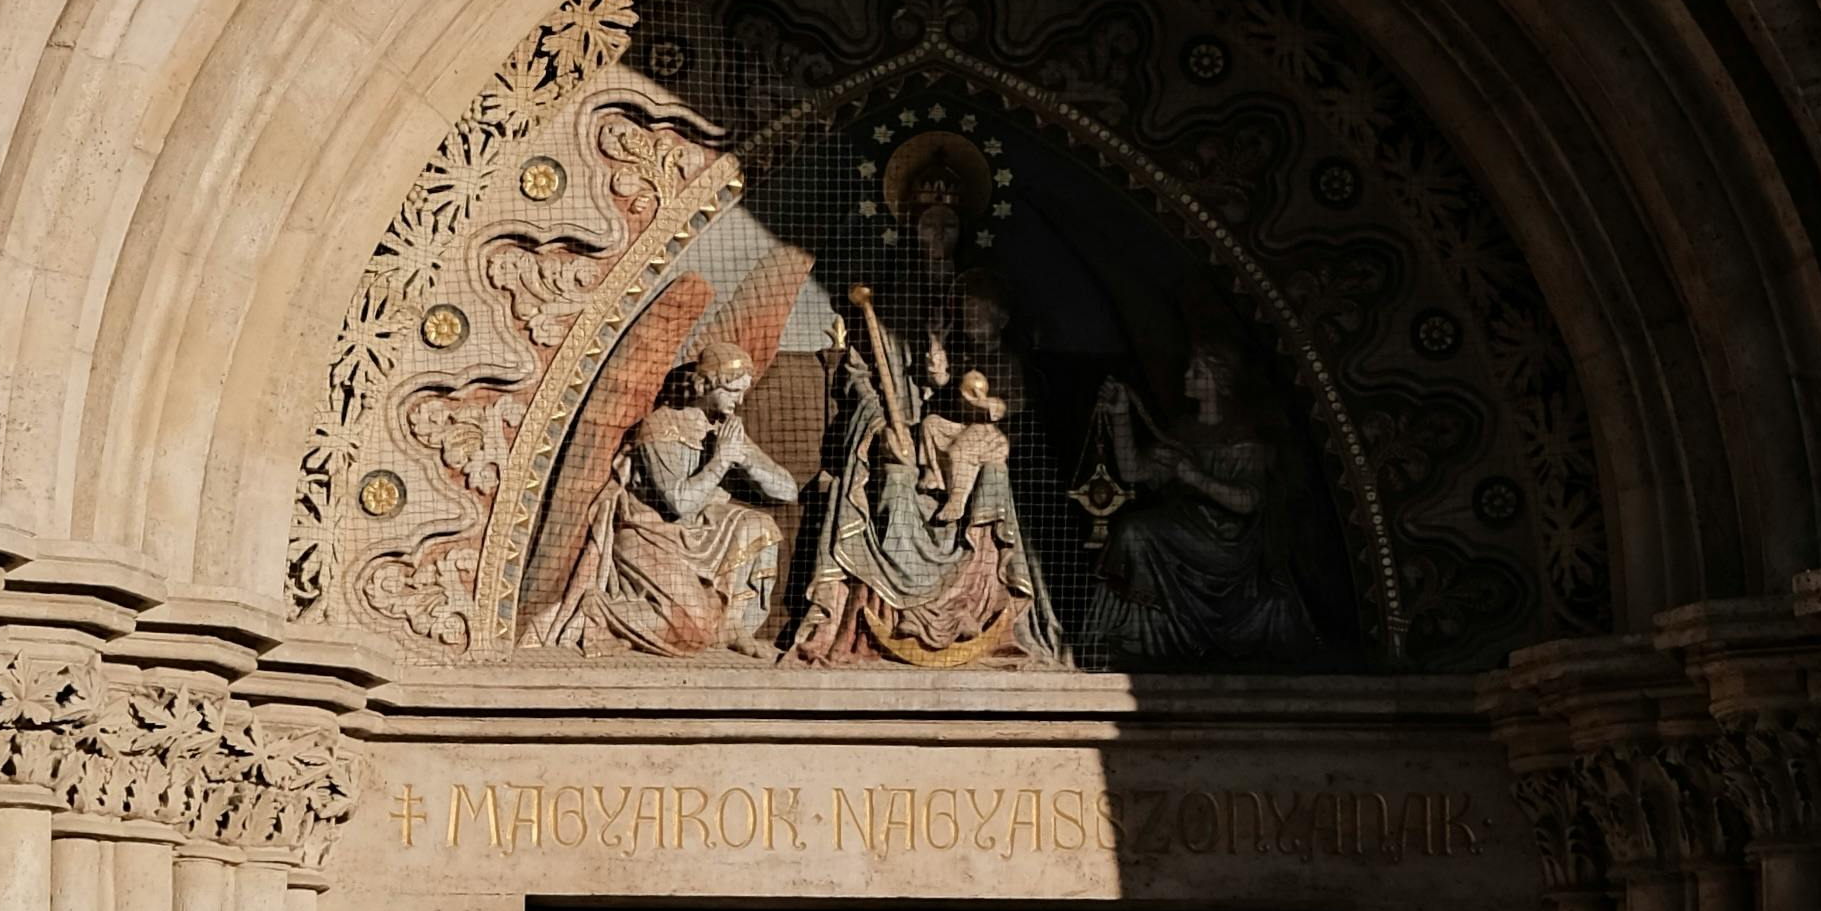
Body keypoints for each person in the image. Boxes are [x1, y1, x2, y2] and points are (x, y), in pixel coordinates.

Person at [793, 310, 1063, 667]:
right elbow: (884, 386)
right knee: (913, 456)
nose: (970, 321)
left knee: (984, 468)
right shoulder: (926, 342)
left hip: (980, 442)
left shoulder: (997, 359)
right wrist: (883, 427)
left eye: (976, 314)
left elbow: (1000, 405)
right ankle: (899, 583)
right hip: (925, 443)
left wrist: (973, 398)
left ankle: (958, 514)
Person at [539, 345, 803, 659]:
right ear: (705, 385)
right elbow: (678, 504)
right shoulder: (660, 427)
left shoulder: (721, 429)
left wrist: (745, 459)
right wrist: (721, 460)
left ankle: (733, 626)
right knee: (691, 630)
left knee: (757, 524)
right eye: (732, 390)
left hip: (700, 532)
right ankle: (596, 611)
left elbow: (788, 490)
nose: (740, 399)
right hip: (650, 533)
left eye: (743, 391)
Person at [1072, 339, 1325, 664]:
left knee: (1139, 531)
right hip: (1184, 529)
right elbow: (1134, 471)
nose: (1188, 376)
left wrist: (1195, 478)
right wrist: (1121, 415)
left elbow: (1248, 501)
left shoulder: (1241, 436)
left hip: (1226, 543)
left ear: (1220, 381)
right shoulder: (1183, 430)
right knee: (1134, 529)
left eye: (1199, 372)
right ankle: (1127, 635)